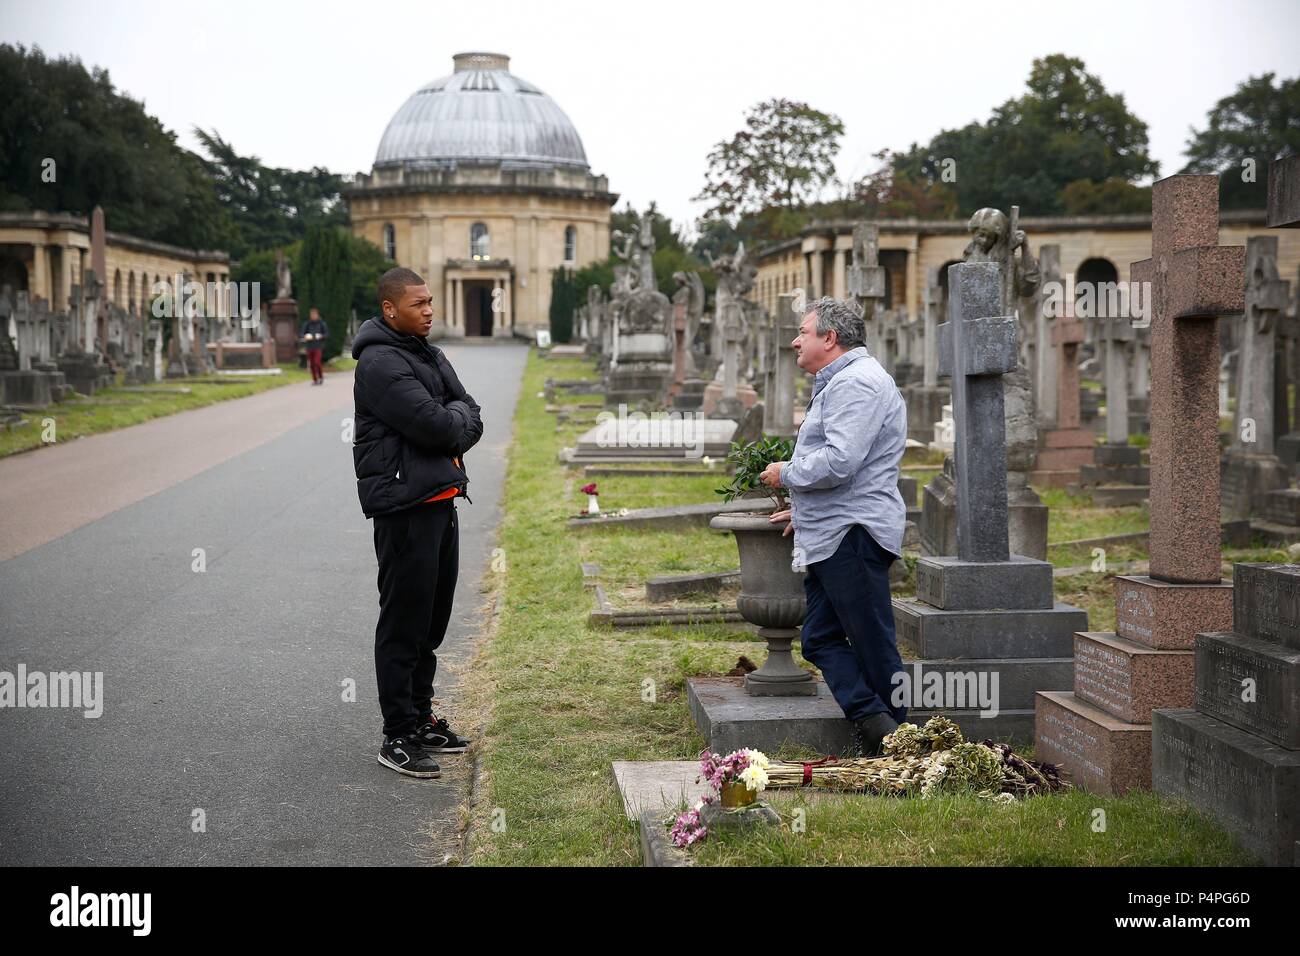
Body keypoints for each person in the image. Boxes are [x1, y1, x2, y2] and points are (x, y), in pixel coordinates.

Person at [759, 296, 908, 757]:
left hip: (853, 533)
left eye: (802, 332)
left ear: (830, 337)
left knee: (873, 643)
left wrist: (786, 474)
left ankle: (902, 744)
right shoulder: (843, 381)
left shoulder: (857, 383)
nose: (794, 341)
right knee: (820, 638)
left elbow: (841, 461)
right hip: (834, 530)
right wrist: (803, 510)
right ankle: (875, 724)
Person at [351, 267, 483, 778]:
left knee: (431, 621)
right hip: (404, 506)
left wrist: (454, 419)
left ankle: (421, 716)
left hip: (439, 499)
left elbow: (469, 411)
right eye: (418, 304)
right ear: (390, 309)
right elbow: (436, 426)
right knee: (404, 622)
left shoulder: (427, 352)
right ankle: (398, 734)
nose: (429, 310)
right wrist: (454, 420)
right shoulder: (380, 363)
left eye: (430, 301)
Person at [300, 308, 329, 385]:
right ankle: (315, 379)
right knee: (312, 364)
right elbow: (302, 333)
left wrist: (321, 336)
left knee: (317, 362)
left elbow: (326, 334)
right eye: (312, 315)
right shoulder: (307, 324)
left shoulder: (321, 324)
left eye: (314, 315)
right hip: (309, 346)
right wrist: (305, 336)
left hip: (318, 346)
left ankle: (320, 376)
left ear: (317, 315)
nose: (313, 316)